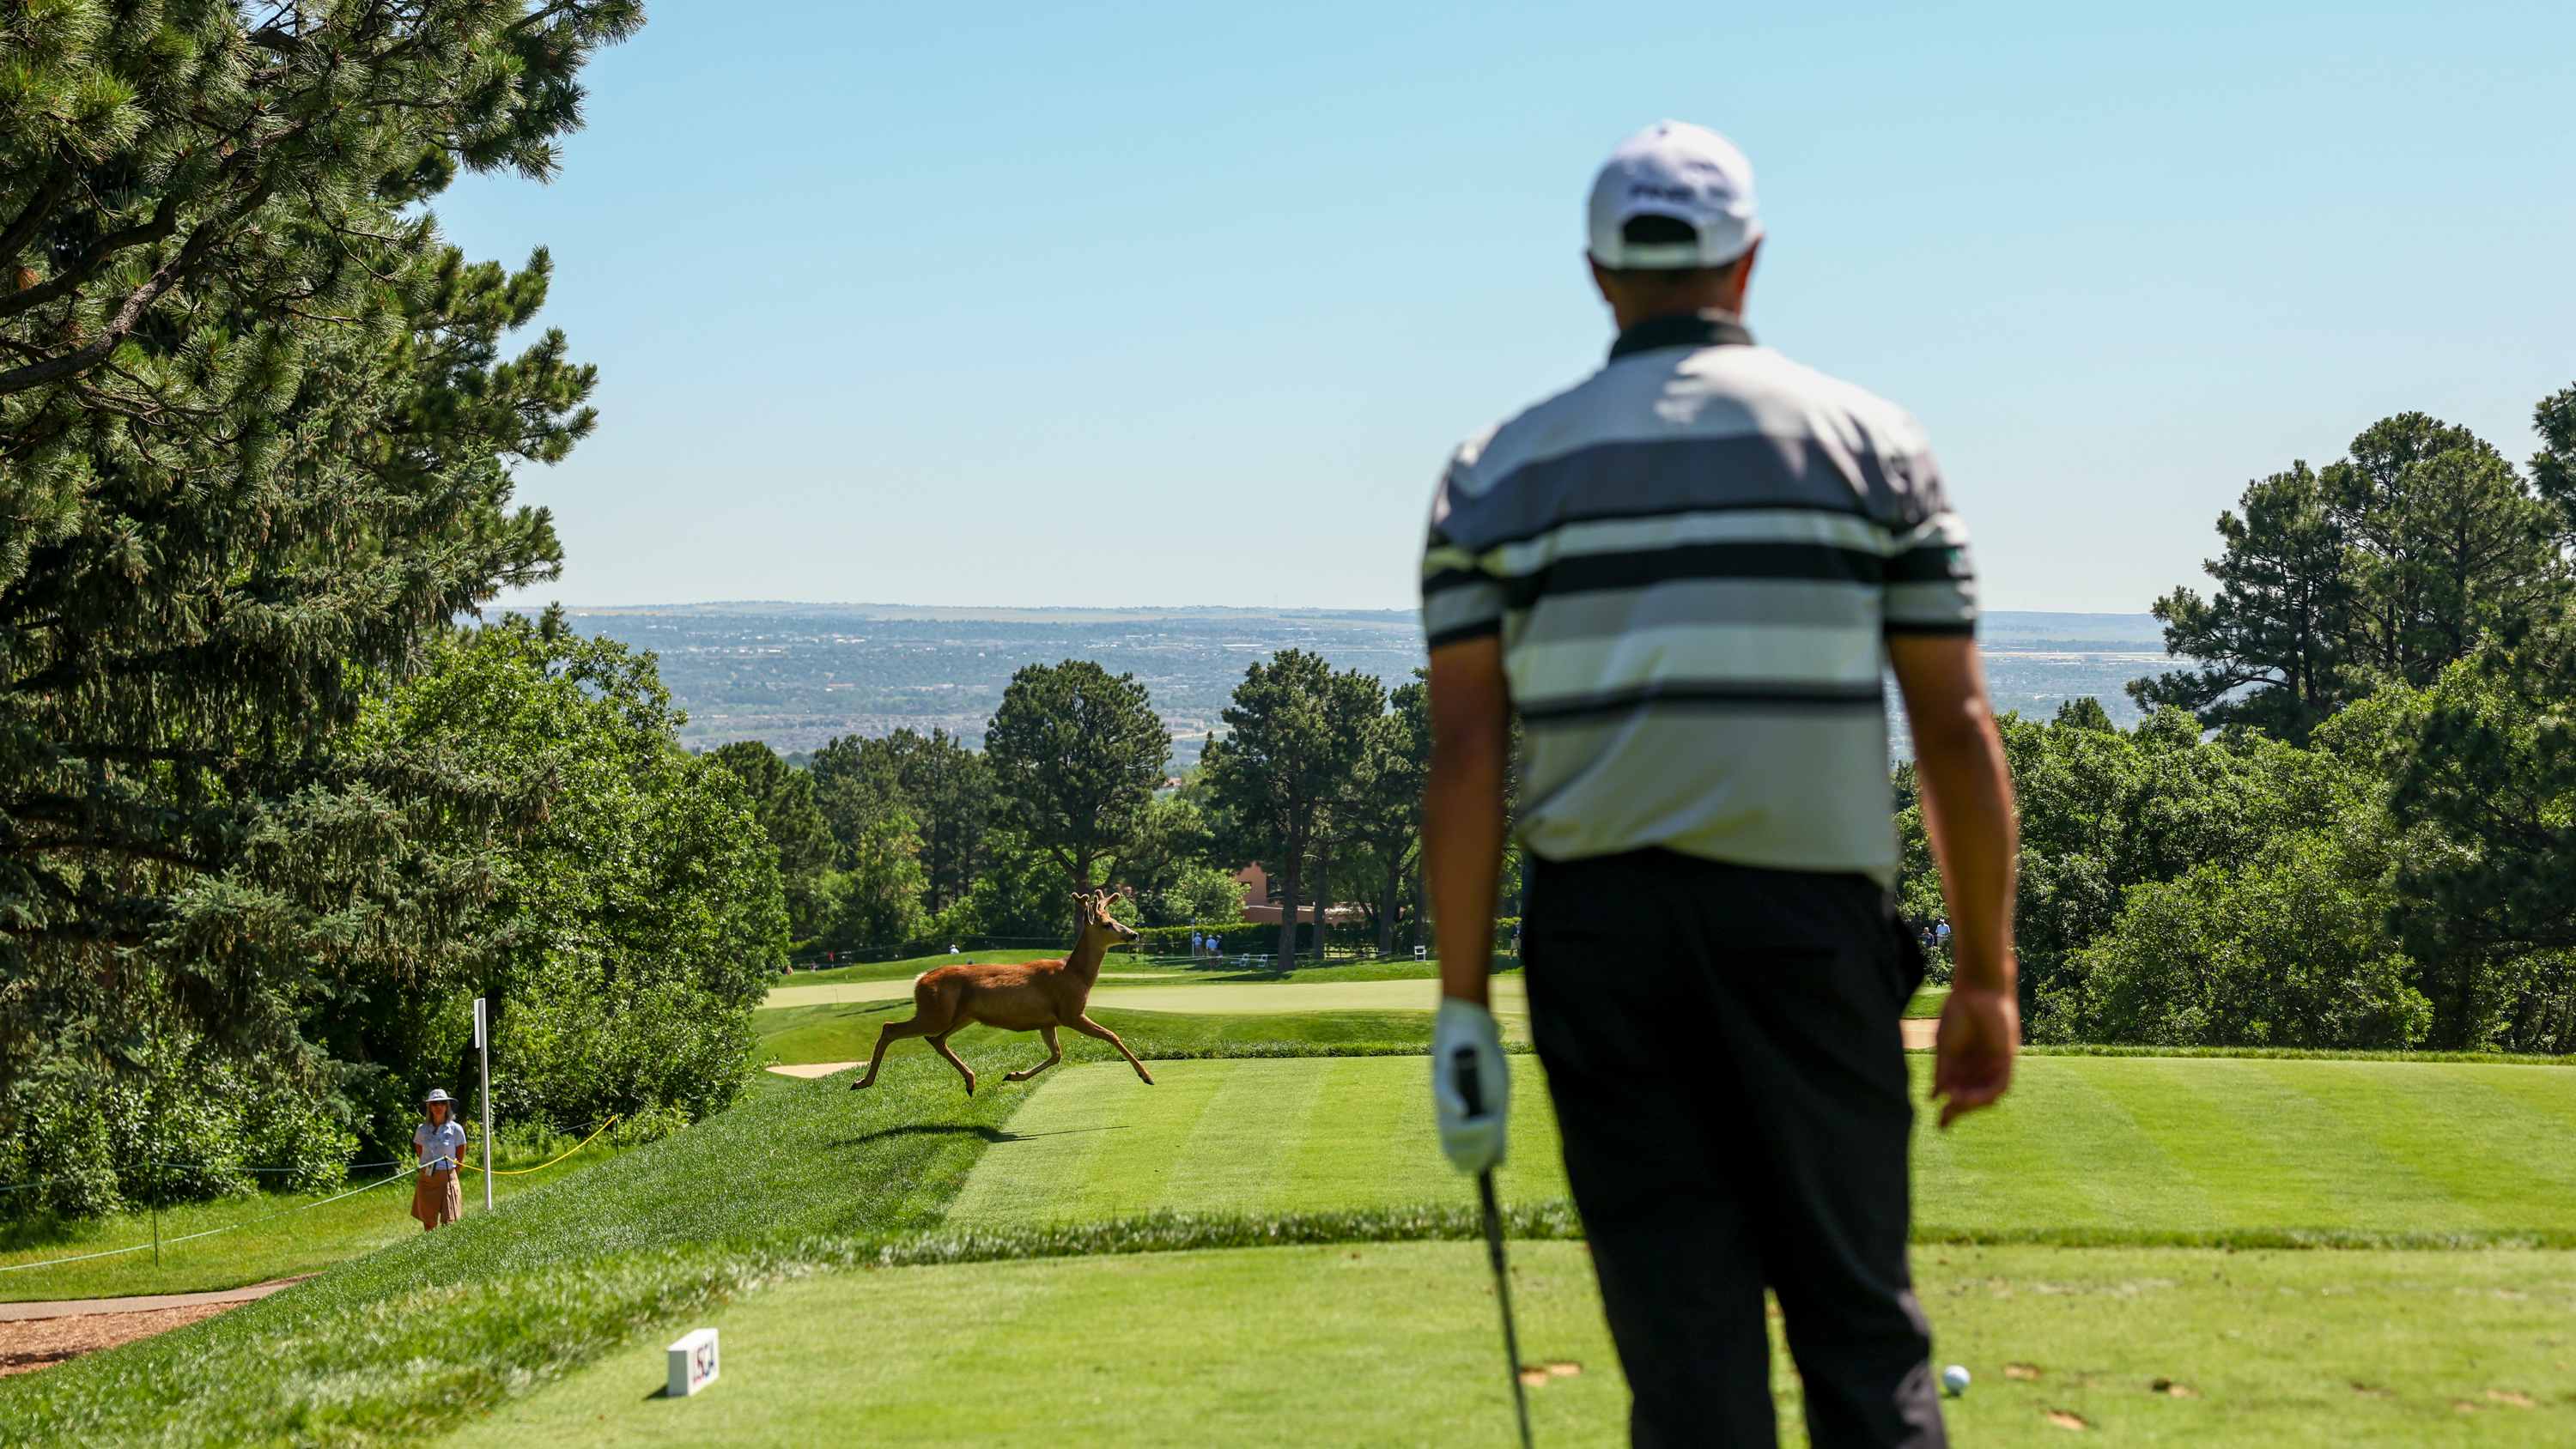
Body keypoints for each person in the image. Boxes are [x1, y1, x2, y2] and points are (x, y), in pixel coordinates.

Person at [1420, 120, 2020, 1447]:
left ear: (1596, 273)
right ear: (1747, 263)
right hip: (1809, 938)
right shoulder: (1876, 445)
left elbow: (1468, 757)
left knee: (1687, 1371)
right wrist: (1986, 972)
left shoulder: (1493, 476)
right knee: (1863, 1339)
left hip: (1604, 949)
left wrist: (1463, 1008)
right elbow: (1954, 728)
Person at [411, 1088, 469, 1232]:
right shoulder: (421, 1129)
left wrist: (450, 1173)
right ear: (429, 1107)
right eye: (435, 1104)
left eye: (442, 1103)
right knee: (429, 1222)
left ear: (447, 1106)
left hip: (448, 1178)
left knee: (450, 1221)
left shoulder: (456, 1129)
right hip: (427, 1179)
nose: (438, 1107)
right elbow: (420, 1151)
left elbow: (460, 1156)